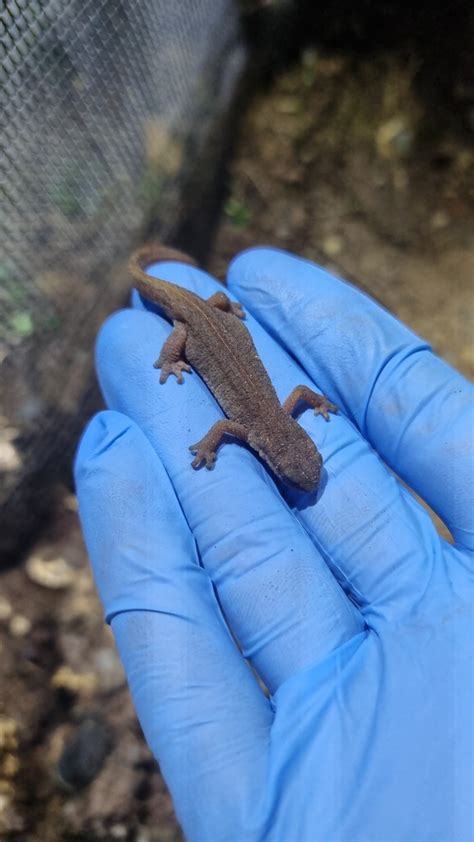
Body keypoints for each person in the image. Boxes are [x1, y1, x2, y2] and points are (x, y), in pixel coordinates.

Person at [75, 247, 474, 841]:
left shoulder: (279, 420)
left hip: (210, 315)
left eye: (303, 462)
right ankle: (150, 274)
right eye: (295, 470)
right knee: (189, 323)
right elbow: (224, 425)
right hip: (194, 320)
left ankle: (176, 280)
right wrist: (197, 419)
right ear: (272, 451)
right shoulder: (254, 427)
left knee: (206, 314)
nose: (302, 474)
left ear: (296, 439)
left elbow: (282, 406)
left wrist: (313, 401)